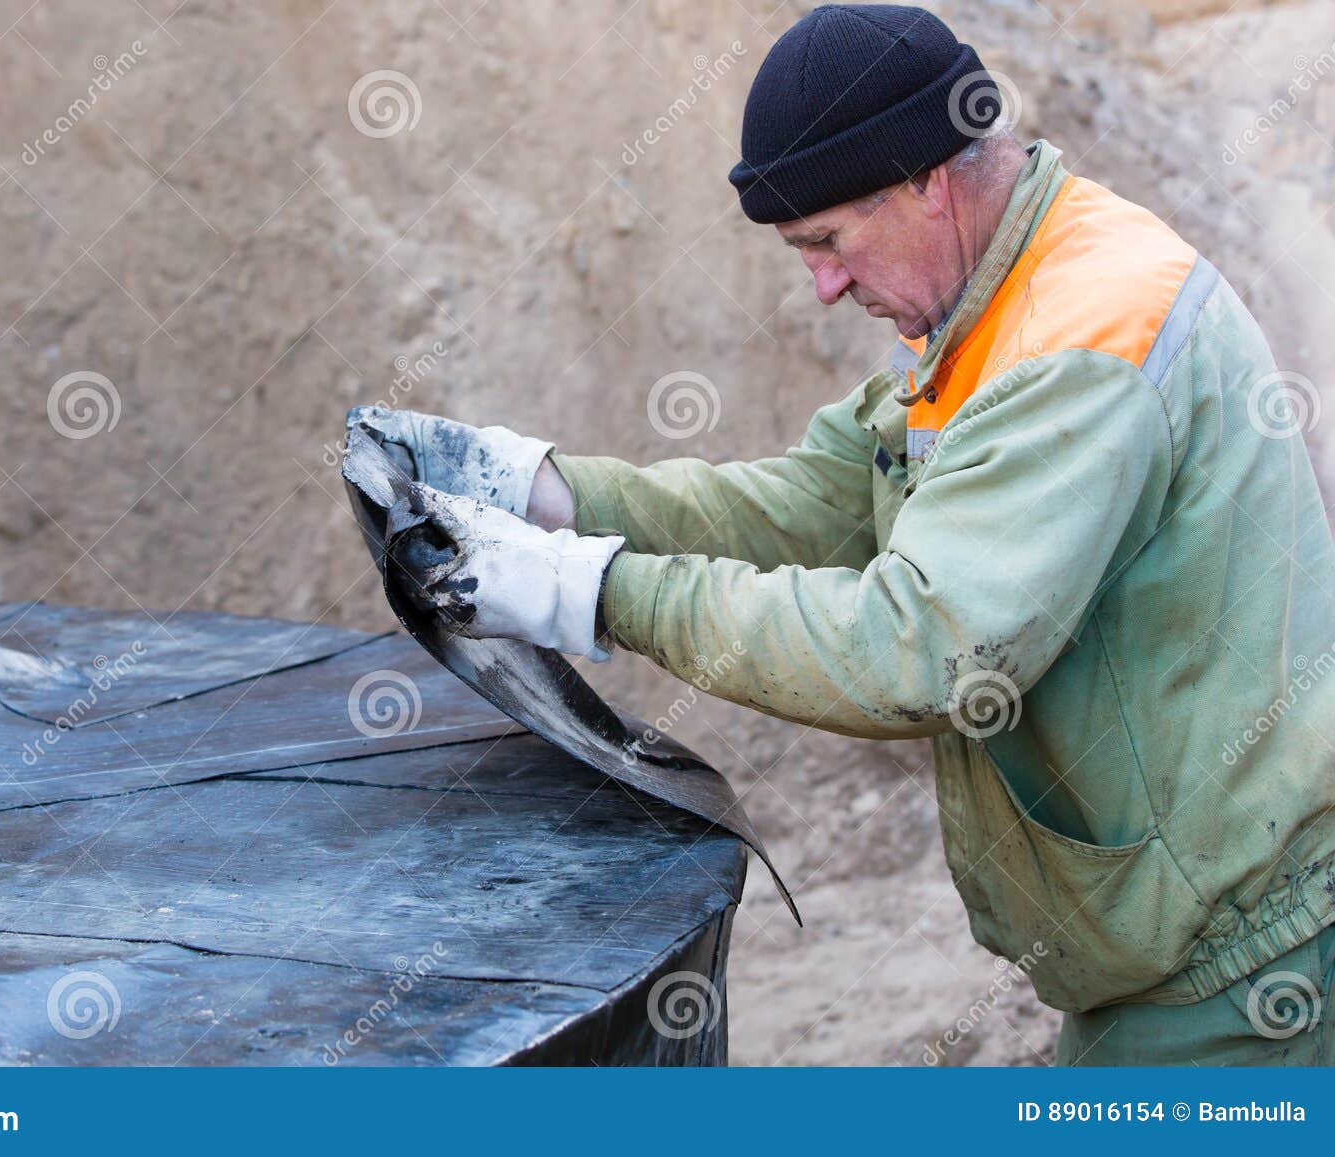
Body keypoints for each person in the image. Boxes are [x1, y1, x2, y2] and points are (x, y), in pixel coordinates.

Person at [347, 3, 1335, 1065]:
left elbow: (919, 646)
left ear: (925, 179)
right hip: (1173, 945)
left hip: (1236, 968)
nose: (820, 285)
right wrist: (539, 489)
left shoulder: (1079, 343)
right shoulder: (1003, 291)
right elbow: (813, 501)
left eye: (826, 241)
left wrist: (586, 592)